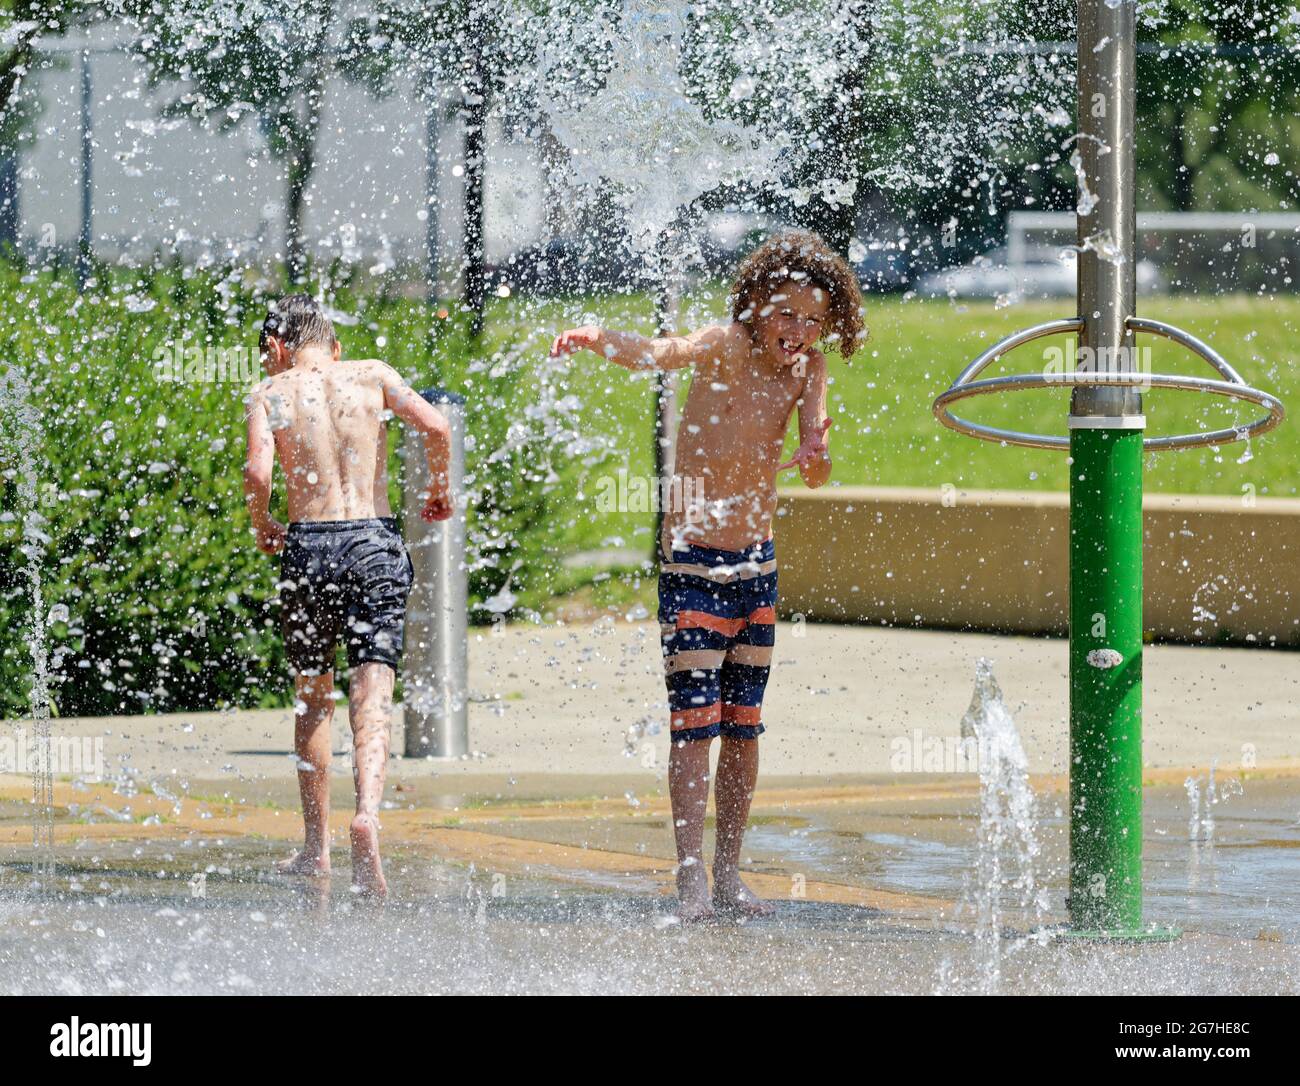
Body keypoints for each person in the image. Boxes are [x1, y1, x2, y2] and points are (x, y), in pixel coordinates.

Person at [551, 230, 866, 920]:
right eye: (788, 314)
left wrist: (816, 453)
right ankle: (690, 874)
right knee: (694, 723)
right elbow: (655, 355)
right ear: (756, 303)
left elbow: (816, 464)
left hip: (757, 565)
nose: (800, 331)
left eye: (815, 321)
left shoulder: (810, 372)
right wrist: (594, 335)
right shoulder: (723, 344)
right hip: (694, 559)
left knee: (744, 724)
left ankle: (729, 874)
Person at [243, 294, 452, 898]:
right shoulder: (374, 374)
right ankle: (367, 815)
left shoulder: (270, 393)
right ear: (333, 345)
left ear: (277, 349)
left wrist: (264, 522)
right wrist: (437, 490)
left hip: (308, 546)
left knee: (314, 700)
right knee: (372, 684)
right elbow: (436, 427)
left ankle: (317, 849)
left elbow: (258, 473)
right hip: (373, 544)